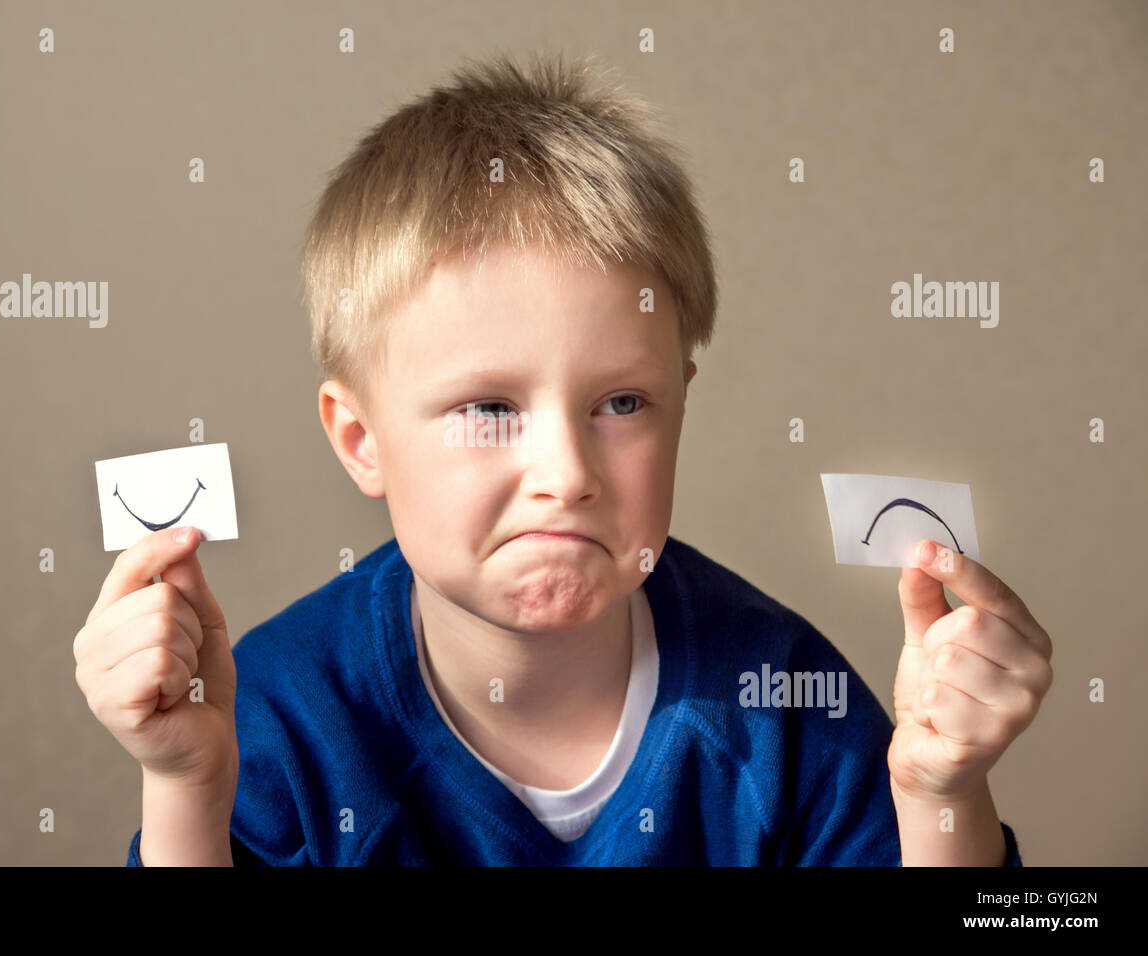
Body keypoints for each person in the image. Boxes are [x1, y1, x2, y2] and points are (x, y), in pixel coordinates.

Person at [73, 51, 1052, 865]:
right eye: (489, 407)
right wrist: (186, 788)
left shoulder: (784, 700)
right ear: (361, 439)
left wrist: (940, 793)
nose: (567, 470)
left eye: (620, 402)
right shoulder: (283, 712)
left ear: (679, 407)